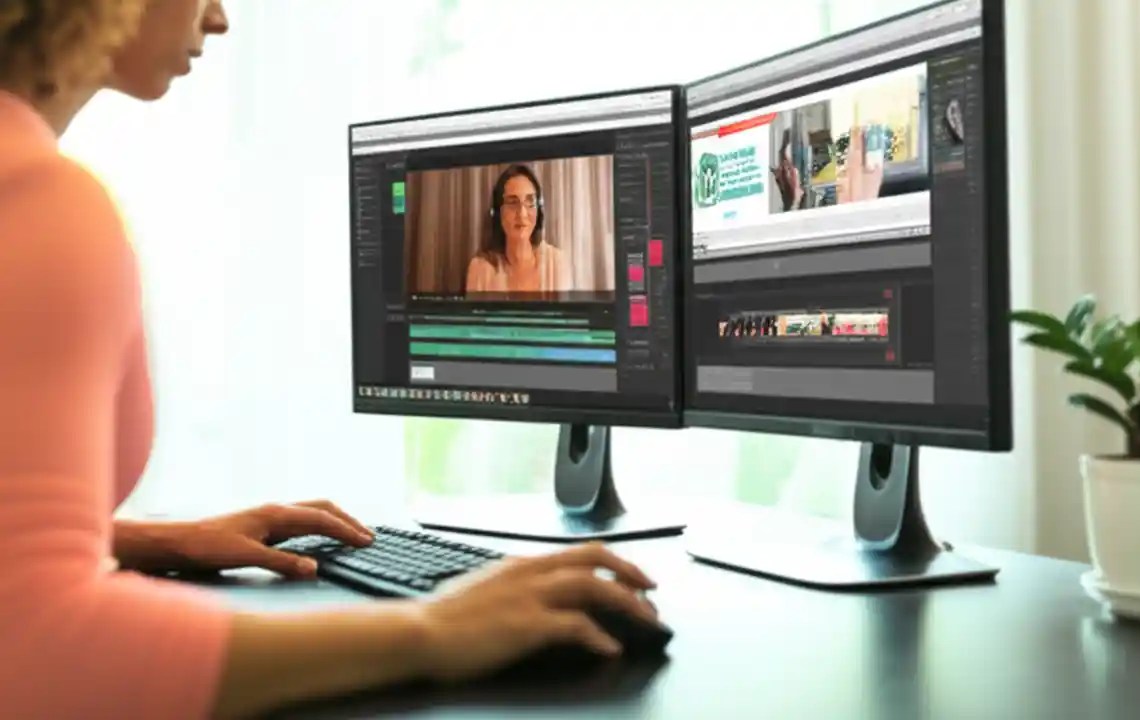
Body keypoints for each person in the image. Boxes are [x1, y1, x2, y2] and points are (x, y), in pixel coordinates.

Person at [0, 3, 661, 719]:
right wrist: (431, 629)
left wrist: (155, 540)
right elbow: (34, 644)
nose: (219, 18)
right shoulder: (37, 202)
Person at [465, 163, 570, 294]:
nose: (522, 214)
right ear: (498, 212)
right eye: (512, 202)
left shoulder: (556, 264)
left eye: (530, 202)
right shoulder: (480, 270)